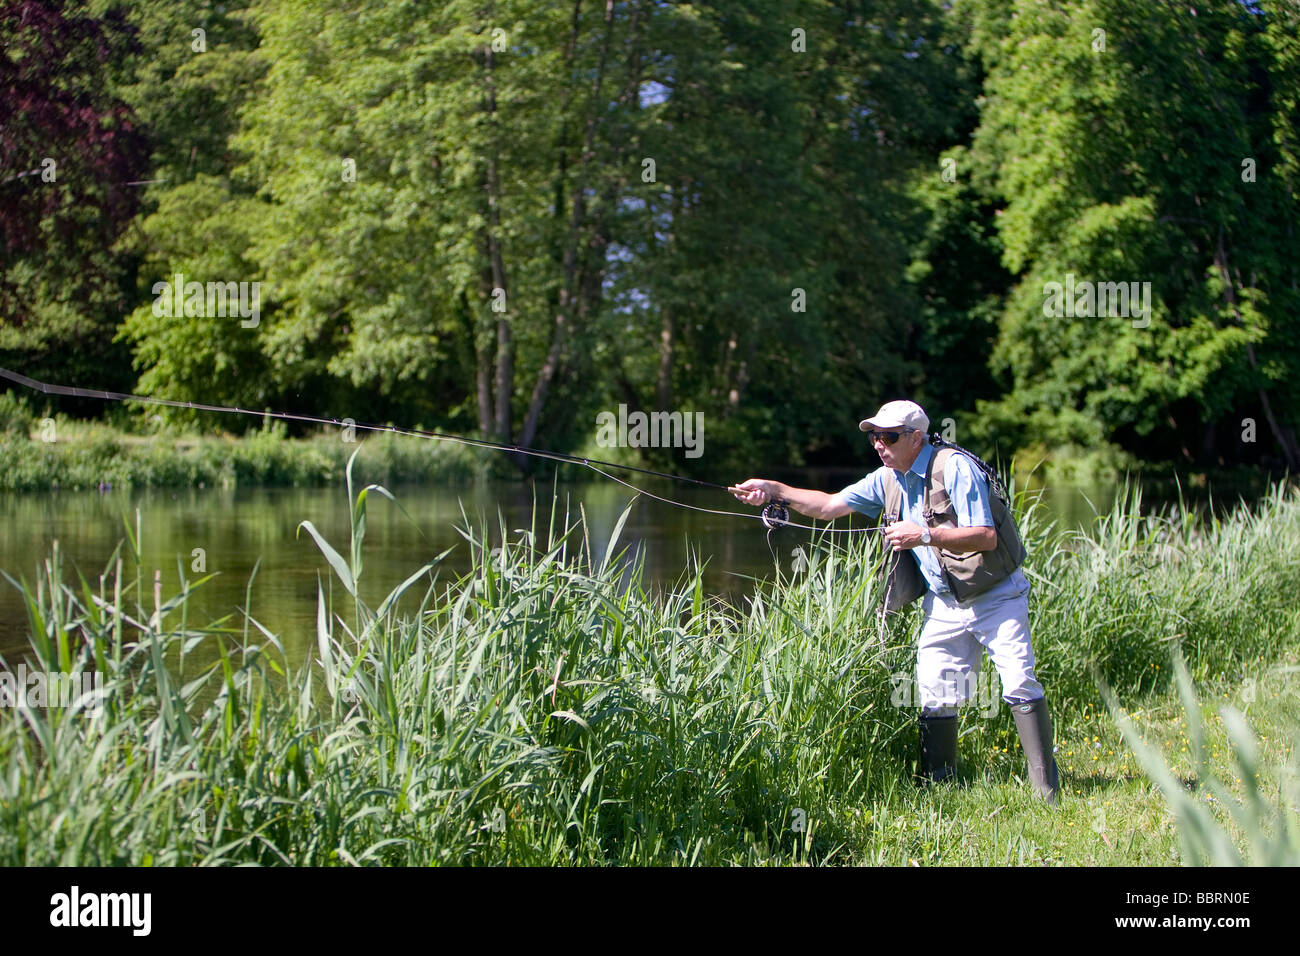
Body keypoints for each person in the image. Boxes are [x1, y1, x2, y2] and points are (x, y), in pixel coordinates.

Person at [729, 400, 1059, 803]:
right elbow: (829, 507)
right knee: (935, 693)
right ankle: (941, 790)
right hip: (943, 602)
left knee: (1019, 682)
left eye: (888, 436)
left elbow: (985, 536)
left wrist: (923, 535)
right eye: (874, 437)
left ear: (916, 438)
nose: (879, 444)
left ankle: (1046, 793)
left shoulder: (955, 468)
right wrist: (773, 489)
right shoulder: (887, 478)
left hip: (996, 593)